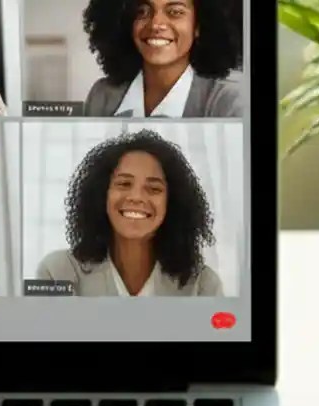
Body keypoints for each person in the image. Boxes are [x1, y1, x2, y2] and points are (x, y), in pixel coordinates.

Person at [36, 129, 224, 297]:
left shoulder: (203, 286)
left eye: (153, 188)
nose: (136, 197)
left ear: (173, 202)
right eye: (124, 184)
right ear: (102, 194)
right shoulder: (56, 272)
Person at [81, 0, 244, 118]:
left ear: (198, 25)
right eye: (142, 11)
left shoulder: (230, 100)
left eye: (175, 12)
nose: (155, 24)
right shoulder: (102, 96)